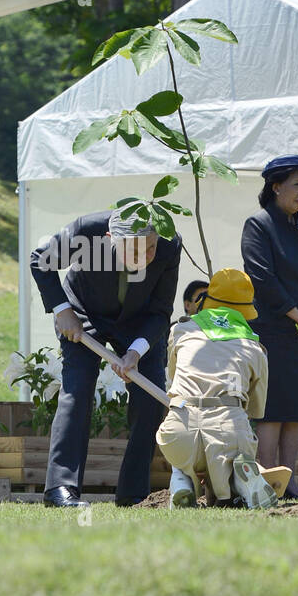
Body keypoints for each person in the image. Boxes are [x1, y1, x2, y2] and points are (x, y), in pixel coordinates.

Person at [29, 207, 180, 507]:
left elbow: (162, 309)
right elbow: (40, 259)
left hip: (141, 322)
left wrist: (136, 351)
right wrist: (62, 311)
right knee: (78, 391)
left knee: (150, 398)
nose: (147, 256)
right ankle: (61, 488)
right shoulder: (87, 230)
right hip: (83, 313)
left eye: (151, 247)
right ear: (111, 239)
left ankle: (133, 493)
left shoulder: (169, 241)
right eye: (136, 250)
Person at [158, 268, 279, 509]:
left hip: (180, 428)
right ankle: (242, 482)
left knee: (181, 459)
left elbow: (174, 381)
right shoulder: (255, 348)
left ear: (207, 300)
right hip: (229, 428)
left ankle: (181, 483)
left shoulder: (180, 330)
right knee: (234, 453)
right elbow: (255, 410)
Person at [242, 154, 298, 500]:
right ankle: (266, 483)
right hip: (272, 330)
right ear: (275, 187)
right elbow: (262, 278)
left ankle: (291, 484)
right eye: (297, 185)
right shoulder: (259, 224)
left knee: (297, 410)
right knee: (272, 410)